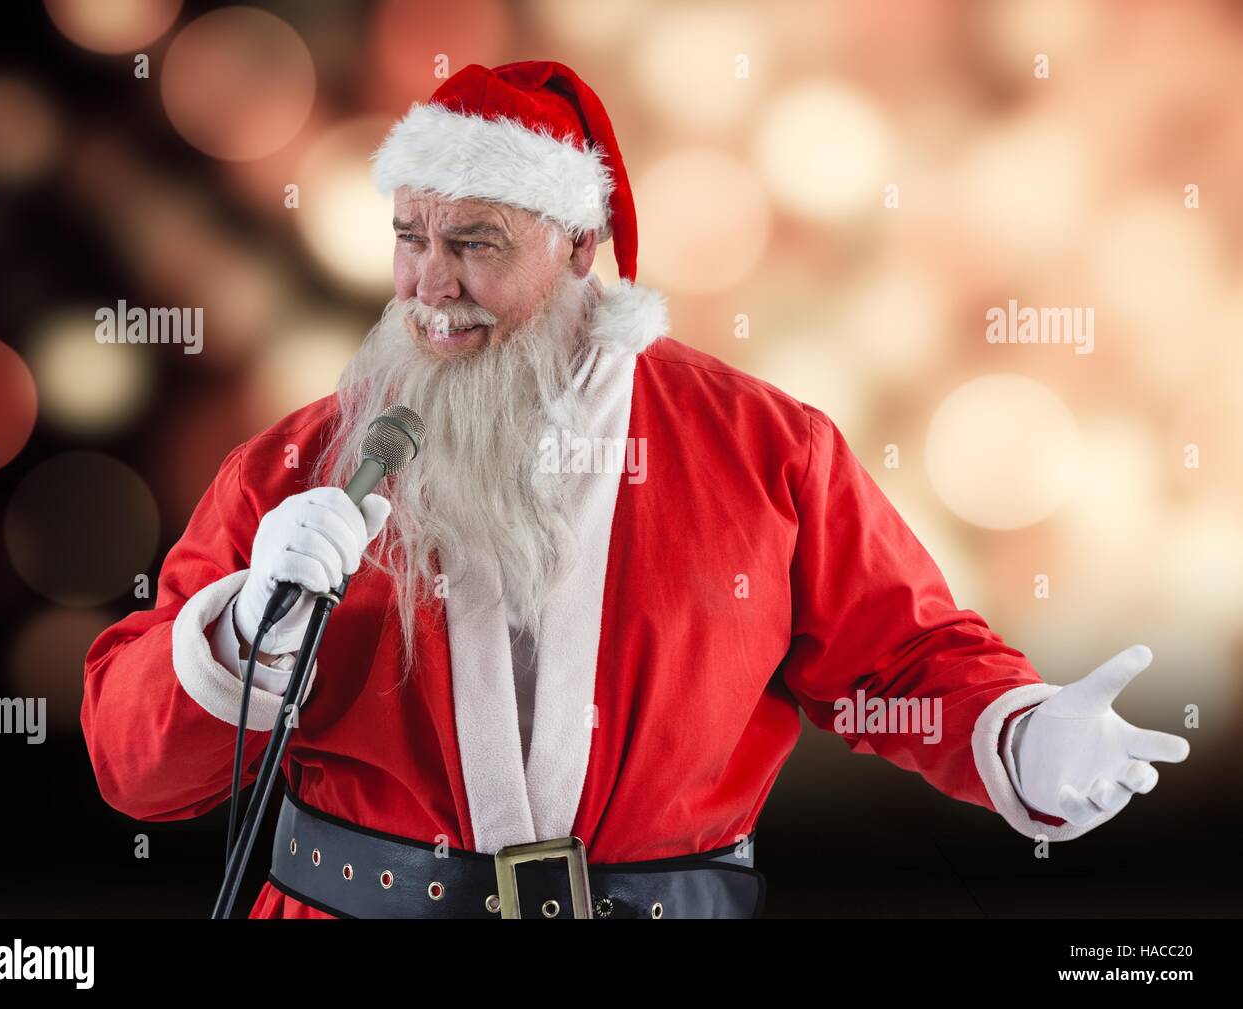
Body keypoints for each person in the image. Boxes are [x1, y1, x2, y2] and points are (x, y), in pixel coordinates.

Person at [81, 60, 1189, 919]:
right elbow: (132, 765)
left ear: (578, 248)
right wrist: (240, 640)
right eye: (409, 238)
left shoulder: (765, 448)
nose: (429, 284)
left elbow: (900, 659)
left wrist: (1018, 730)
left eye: (475, 242)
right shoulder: (294, 469)